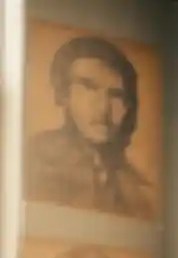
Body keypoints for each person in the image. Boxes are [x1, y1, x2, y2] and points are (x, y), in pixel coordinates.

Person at [25, 36, 155, 220]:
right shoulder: (31, 161)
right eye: (89, 88)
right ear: (63, 94)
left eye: (116, 95)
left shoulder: (139, 190)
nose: (103, 108)